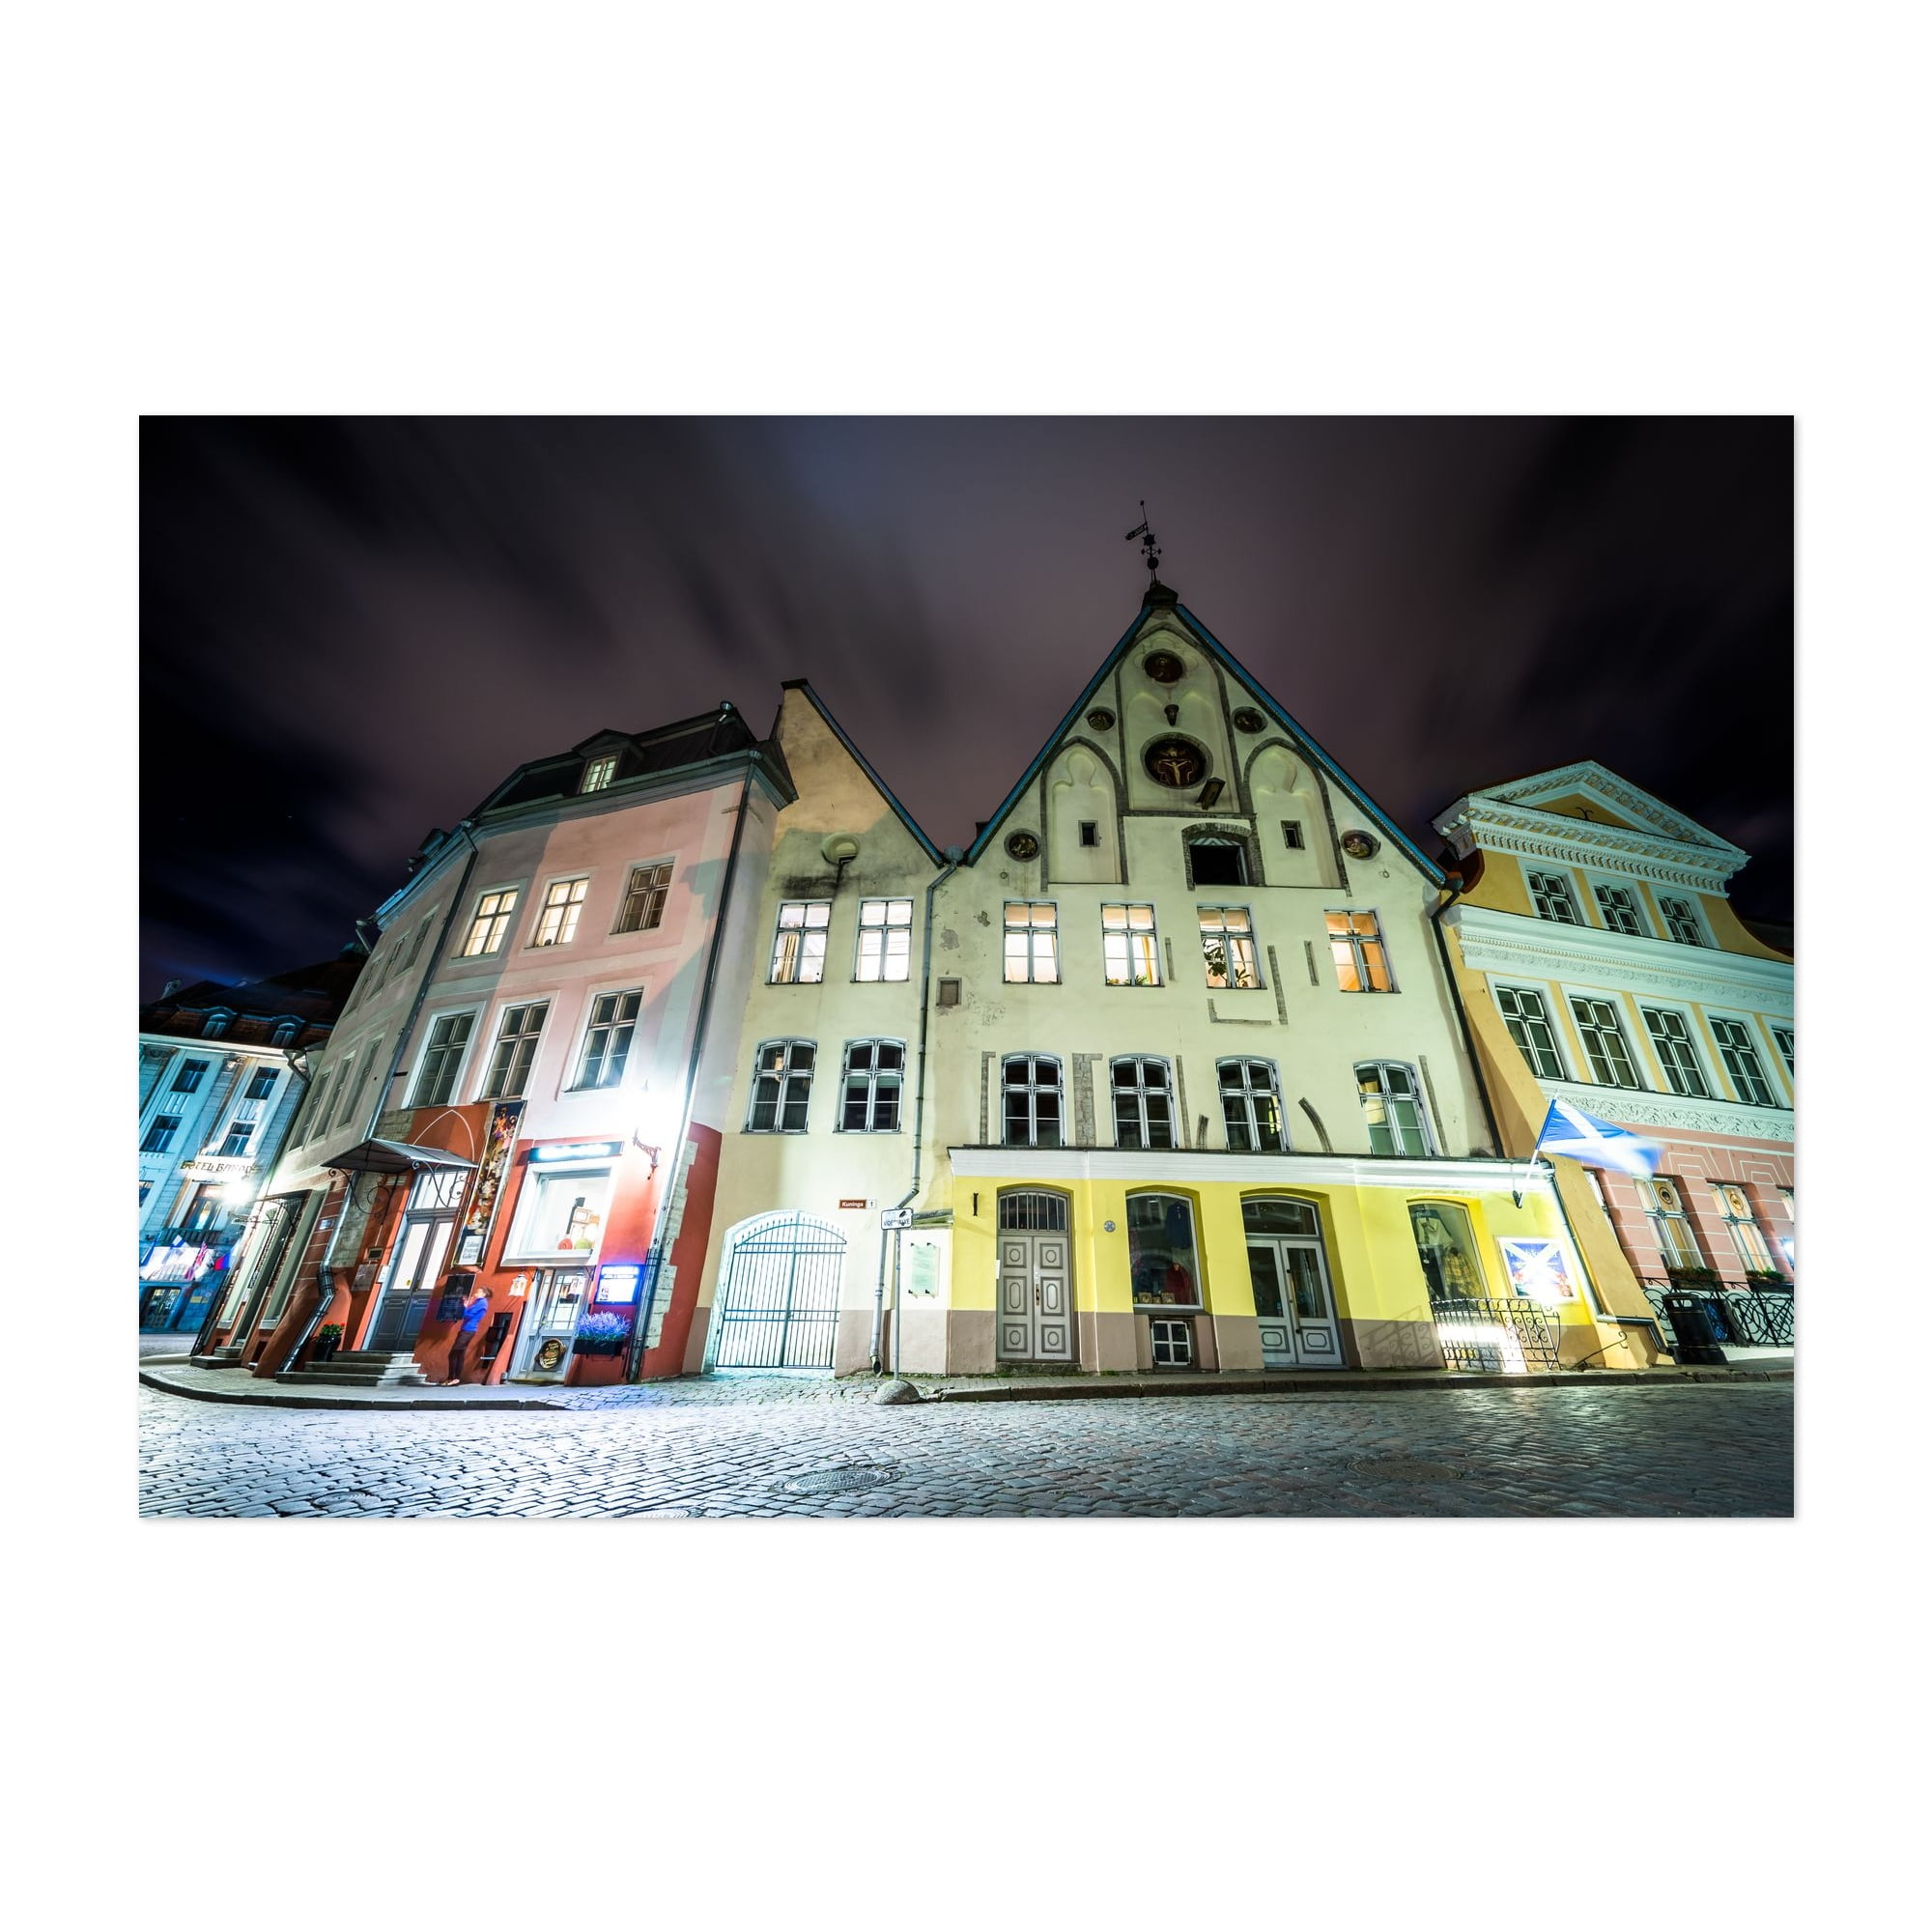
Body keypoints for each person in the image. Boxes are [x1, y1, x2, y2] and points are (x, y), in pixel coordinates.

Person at [444, 1278, 491, 1385]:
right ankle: (454, 1378)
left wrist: (465, 1307)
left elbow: (468, 1315)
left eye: (478, 1292)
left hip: (468, 1330)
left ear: (483, 1294)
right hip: (466, 1330)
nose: (475, 1293)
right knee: (459, 1354)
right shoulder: (479, 1302)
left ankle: (453, 1377)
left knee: (453, 1353)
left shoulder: (482, 1303)